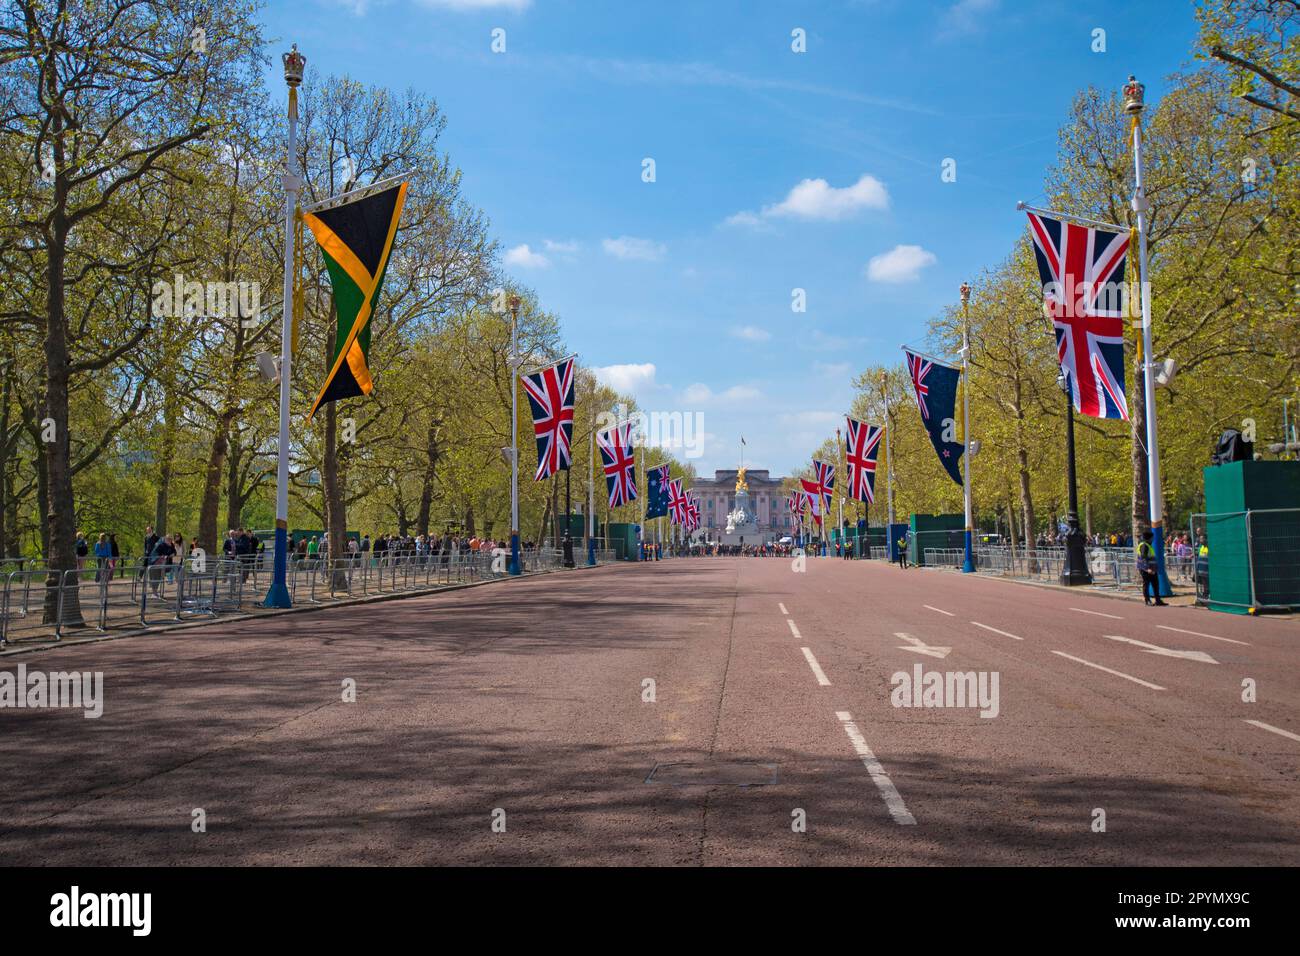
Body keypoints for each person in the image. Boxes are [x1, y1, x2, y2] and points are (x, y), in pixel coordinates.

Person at [1137, 529, 1166, 606]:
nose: (1153, 539)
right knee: (1146, 584)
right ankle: (1147, 600)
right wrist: (1147, 568)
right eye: (1152, 538)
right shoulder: (1144, 545)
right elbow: (1143, 558)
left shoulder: (1148, 545)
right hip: (1146, 569)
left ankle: (1158, 600)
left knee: (1155, 584)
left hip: (1152, 568)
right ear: (1149, 538)